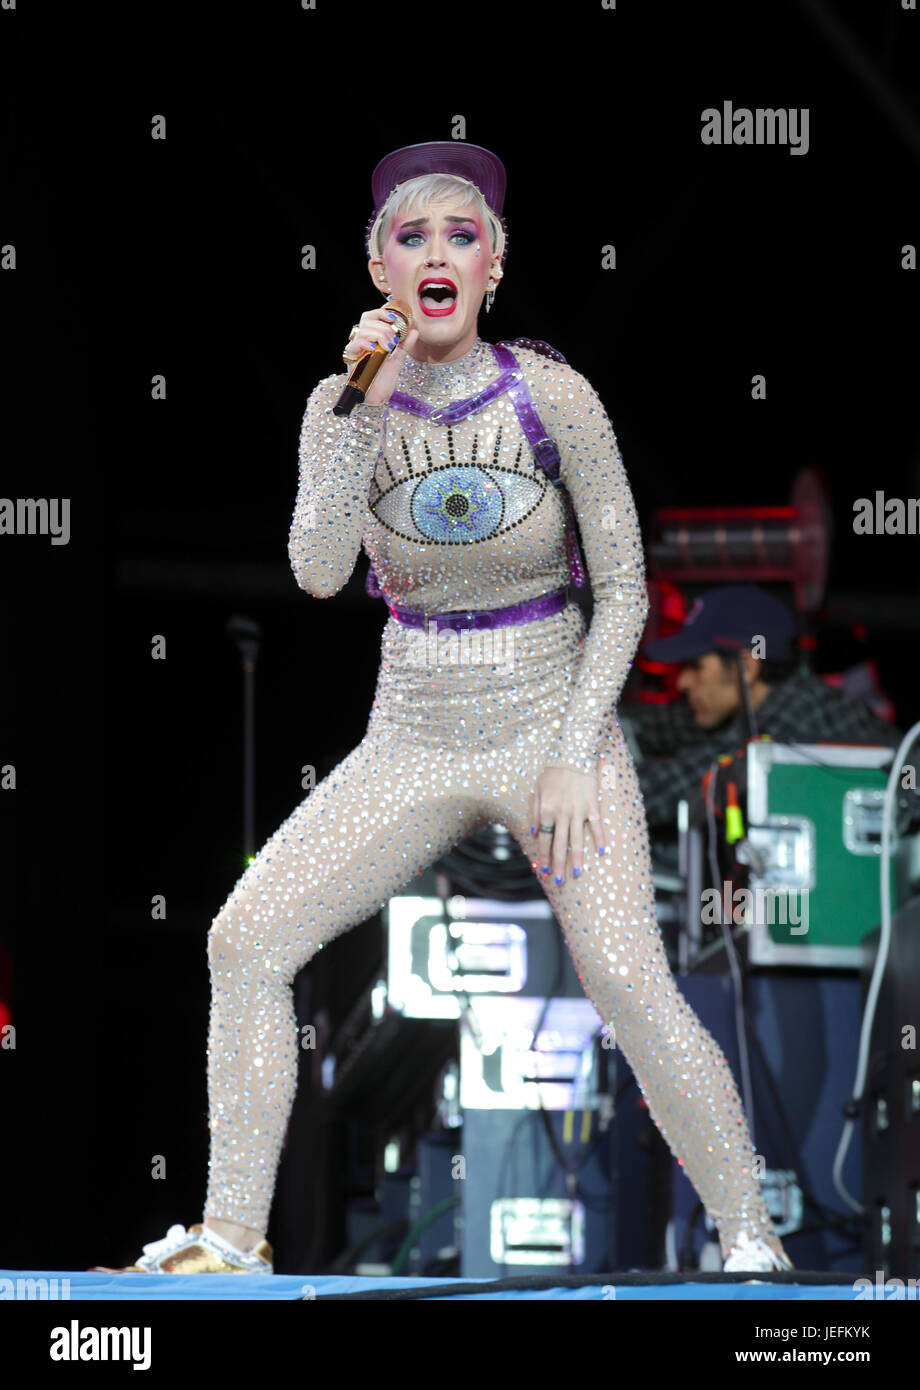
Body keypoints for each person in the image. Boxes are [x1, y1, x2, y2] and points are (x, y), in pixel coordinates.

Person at [92, 142, 791, 1277]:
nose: (434, 252)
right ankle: (228, 1234)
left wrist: (574, 755)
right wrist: (352, 413)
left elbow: (625, 590)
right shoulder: (345, 404)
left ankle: (750, 1241)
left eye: (458, 234)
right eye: (409, 235)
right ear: (377, 266)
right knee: (244, 940)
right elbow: (317, 571)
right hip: (413, 729)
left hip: (548, 717)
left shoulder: (550, 394)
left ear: (494, 264)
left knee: (621, 974)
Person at [628, 585, 903, 830]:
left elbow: (658, 792)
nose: (684, 681)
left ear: (746, 667)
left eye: (695, 666)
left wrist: (592, 779)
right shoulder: (761, 703)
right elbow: (665, 724)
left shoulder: (795, 715)